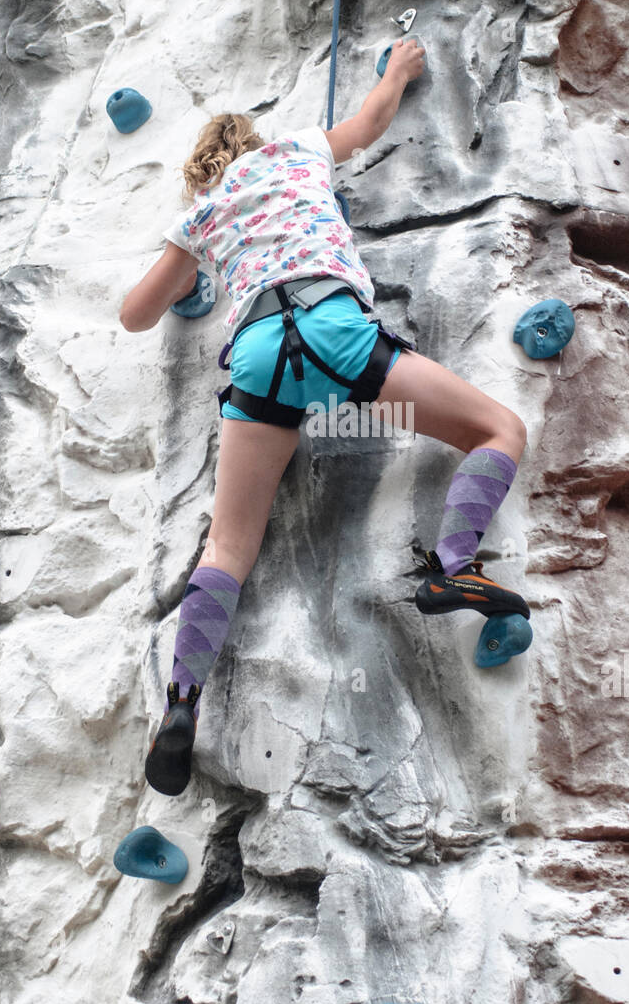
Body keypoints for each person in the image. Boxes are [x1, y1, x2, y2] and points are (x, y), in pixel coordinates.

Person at [120, 40, 528, 795]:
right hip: (334, 329)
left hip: (259, 357)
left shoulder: (203, 215)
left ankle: (182, 703)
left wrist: (187, 275)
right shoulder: (297, 154)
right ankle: (454, 567)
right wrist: (398, 70)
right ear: (259, 144)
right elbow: (370, 122)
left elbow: (135, 314)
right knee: (497, 429)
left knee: (229, 547)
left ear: (200, 174)